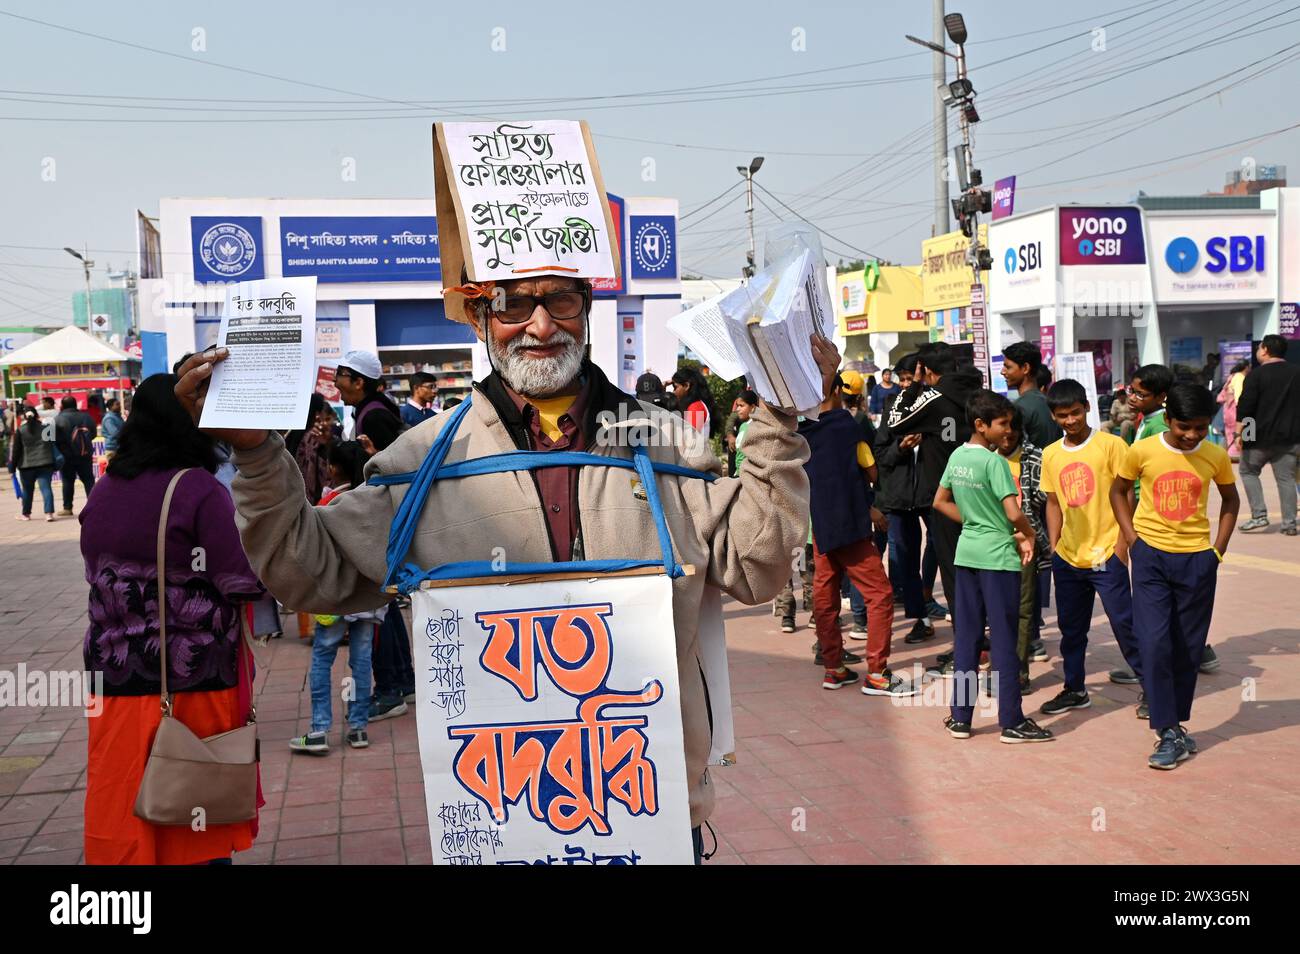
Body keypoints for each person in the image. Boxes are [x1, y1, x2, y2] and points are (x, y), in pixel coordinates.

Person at [175, 271, 825, 857]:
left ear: (588, 309)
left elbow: (756, 563)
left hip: (654, 817)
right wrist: (257, 455)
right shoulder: (422, 464)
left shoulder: (663, 445)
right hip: (500, 824)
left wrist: (779, 413)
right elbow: (306, 571)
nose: (541, 325)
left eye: (561, 299)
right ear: (482, 316)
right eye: (514, 303)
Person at [80, 373, 263, 863]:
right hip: (189, 681)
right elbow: (241, 581)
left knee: (127, 805)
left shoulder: (105, 489)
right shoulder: (197, 488)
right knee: (192, 813)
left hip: (113, 682)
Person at [1110, 383, 1240, 769]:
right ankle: (1167, 729)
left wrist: (1218, 550)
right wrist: (1133, 539)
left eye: (1201, 427)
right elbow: (1118, 492)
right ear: (1167, 420)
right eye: (1184, 426)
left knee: (1187, 647)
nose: (1192, 435)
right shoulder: (1143, 450)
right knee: (1153, 643)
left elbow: (1231, 499)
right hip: (1151, 558)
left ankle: (1174, 729)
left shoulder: (1214, 455)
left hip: (1197, 561)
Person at [932, 389, 1052, 743]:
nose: (1008, 431)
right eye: (1002, 424)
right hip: (998, 559)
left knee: (967, 638)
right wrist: (1026, 535)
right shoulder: (995, 462)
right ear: (981, 425)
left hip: (967, 553)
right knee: (1004, 639)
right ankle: (1011, 720)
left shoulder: (957, 457)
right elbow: (1015, 512)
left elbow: (940, 502)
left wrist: (973, 521)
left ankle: (960, 719)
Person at [1038, 379, 1145, 719]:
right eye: (1061, 415)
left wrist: (1122, 546)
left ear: (1086, 407)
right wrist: (1054, 548)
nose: (1070, 421)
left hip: (1107, 557)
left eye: (1074, 412)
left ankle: (1152, 686)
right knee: (1072, 630)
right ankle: (1075, 688)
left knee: (1124, 624)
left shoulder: (1112, 446)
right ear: (1053, 417)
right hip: (1069, 558)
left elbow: (1128, 495)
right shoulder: (1050, 453)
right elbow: (1053, 503)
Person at [800, 374, 906, 695]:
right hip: (848, 523)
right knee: (879, 595)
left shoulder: (800, 431)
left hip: (820, 523)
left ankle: (834, 668)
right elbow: (871, 470)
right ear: (836, 390)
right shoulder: (846, 425)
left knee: (825, 595)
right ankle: (877, 673)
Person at [885, 343, 984, 675]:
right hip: (980, 494)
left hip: (944, 498)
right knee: (977, 570)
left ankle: (966, 649)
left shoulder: (932, 398)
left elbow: (895, 422)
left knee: (954, 575)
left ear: (925, 370)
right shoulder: (976, 395)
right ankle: (980, 639)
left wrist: (913, 387)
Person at [290, 440, 381, 755]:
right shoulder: (375, 499)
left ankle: (319, 729)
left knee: (323, 658)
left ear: (334, 468)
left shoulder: (329, 502)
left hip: (335, 597)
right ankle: (358, 728)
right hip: (369, 597)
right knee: (361, 661)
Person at [874, 354, 938, 646]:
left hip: (933, 496)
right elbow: (881, 457)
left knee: (944, 552)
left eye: (912, 380)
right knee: (906, 558)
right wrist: (901, 447)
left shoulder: (939, 408)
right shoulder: (891, 409)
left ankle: (955, 611)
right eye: (902, 380)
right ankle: (920, 618)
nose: (906, 386)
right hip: (900, 499)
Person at [997, 406, 1049, 691]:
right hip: (992, 542)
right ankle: (1000, 665)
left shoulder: (1035, 457)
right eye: (1002, 426)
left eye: (1012, 427)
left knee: (1024, 607)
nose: (1007, 434)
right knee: (995, 607)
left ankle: (1019, 671)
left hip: (1026, 543)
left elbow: (1047, 500)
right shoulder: (986, 458)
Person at [1236, 334, 1299, 536]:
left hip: (1258, 437)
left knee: (1248, 471)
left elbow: (1246, 407)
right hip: (1290, 437)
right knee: (1286, 479)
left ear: (1265, 350)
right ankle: (1289, 524)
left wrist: (1243, 435)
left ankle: (1259, 515)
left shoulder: (1256, 375)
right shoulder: (1297, 372)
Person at [336, 350, 405, 454]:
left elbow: (393, 462)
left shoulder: (374, 417)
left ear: (358, 383)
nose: (334, 379)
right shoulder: (368, 409)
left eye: (339, 373)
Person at [1001, 341, 1062, 449]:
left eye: (1008, 367)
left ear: (1025, 368)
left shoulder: (1020, 407)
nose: (1003, 372)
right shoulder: (1048, 402)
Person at [54, 395, 97, 515]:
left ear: (62, 406)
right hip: (85, 454)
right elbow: (93, 434)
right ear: (75, 404)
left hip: (67, 456)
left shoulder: (58, 419)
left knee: (68, 481)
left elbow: (52, 439)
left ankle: (68, 508)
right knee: (89, 480)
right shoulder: (87, 417)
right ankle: (94, 505)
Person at [14, 407, 56, 521]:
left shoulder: (20, 430)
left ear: (24, 416)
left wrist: (12, 467)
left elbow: (16, 450)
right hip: (46, 463)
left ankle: (26, 514)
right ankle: (49, 513)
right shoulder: (47, 429)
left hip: (26, 465)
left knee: (27, 490)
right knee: (46, 488)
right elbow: (53, 445)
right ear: (37, 415)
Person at [669, 366, 720, 438]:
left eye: (675, 387)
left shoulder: (696, 407)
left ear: (686, 386)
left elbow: (689, 439)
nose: (673, 392)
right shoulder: (695, 406)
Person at [1216, 360, 1249, 461]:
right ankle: (1235, 453)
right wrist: (1243, 409)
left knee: (1230, 431)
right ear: (1246, 367)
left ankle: (1230, 453)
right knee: (1238, 430)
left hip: (1228, 409)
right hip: (1235, 409)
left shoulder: (1232, 376)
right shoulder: (1239, 377)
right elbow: (1239, 395)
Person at [731, 389, 759, 473]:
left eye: (741, 405)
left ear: (752, 407)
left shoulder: (755, 427)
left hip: (748, 473)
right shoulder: (743, 426)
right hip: (739, 472)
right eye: (737, 406)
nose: (738, 409)